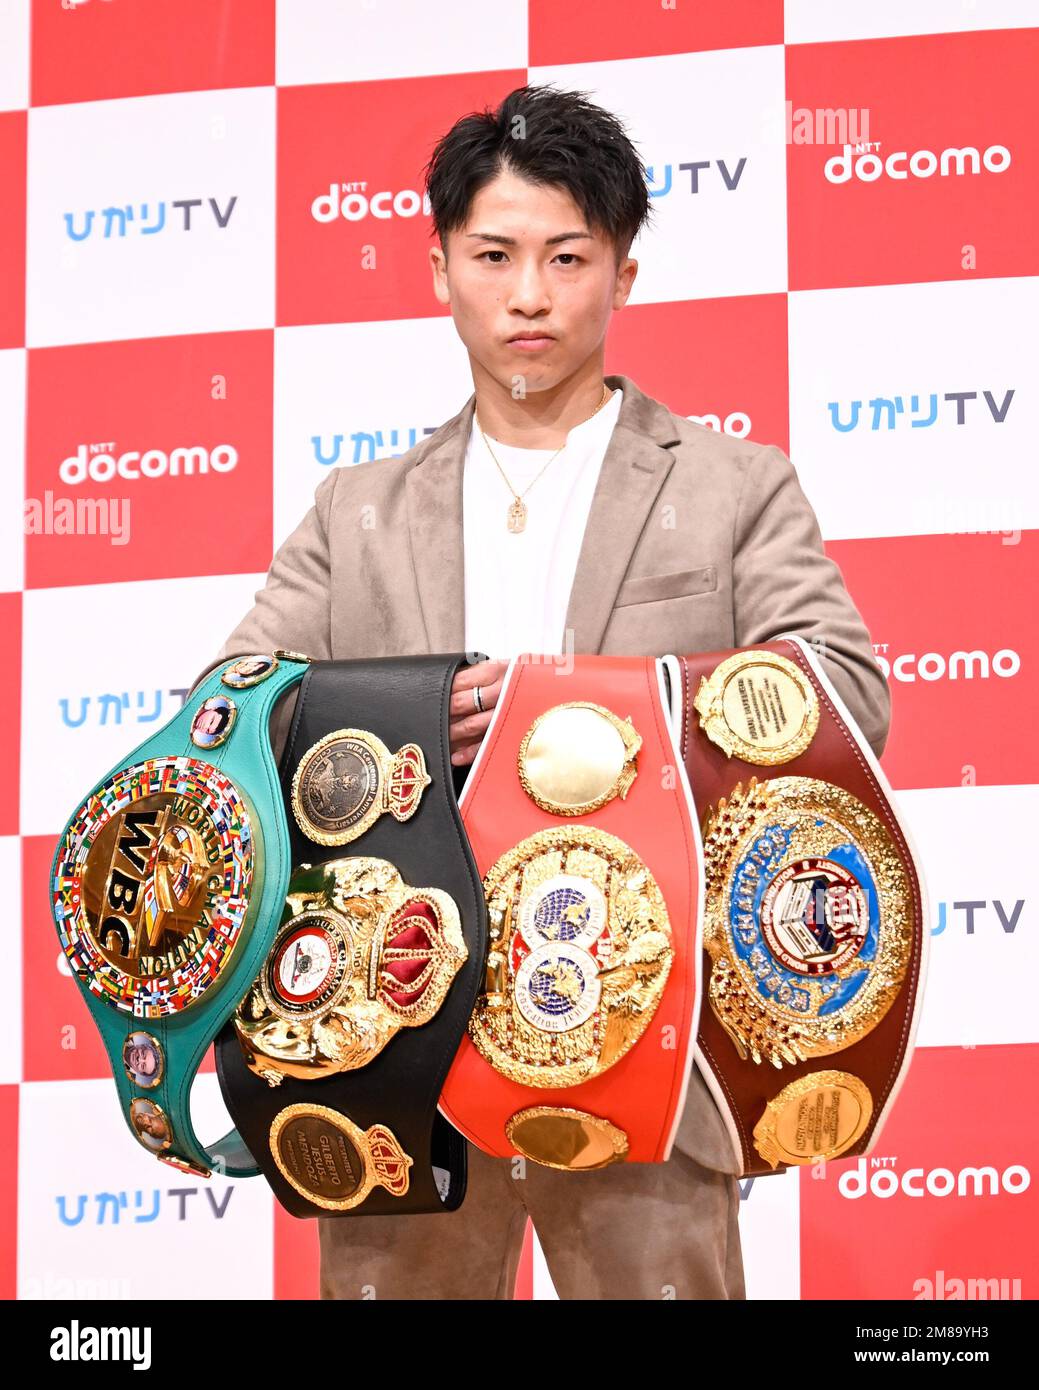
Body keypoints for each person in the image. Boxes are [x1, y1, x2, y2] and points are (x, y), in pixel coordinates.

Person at [189, 84, 890, 1300]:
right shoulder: (358, 510)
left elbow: (843, 688)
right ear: (436, 268)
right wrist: (404, 714)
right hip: (394, 1036)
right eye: (494, 255)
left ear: (623, 271)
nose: (528, 295)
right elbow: (225, 709)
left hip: (651, 1024)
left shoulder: (731, 487)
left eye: (567, 257)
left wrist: (586, 708)